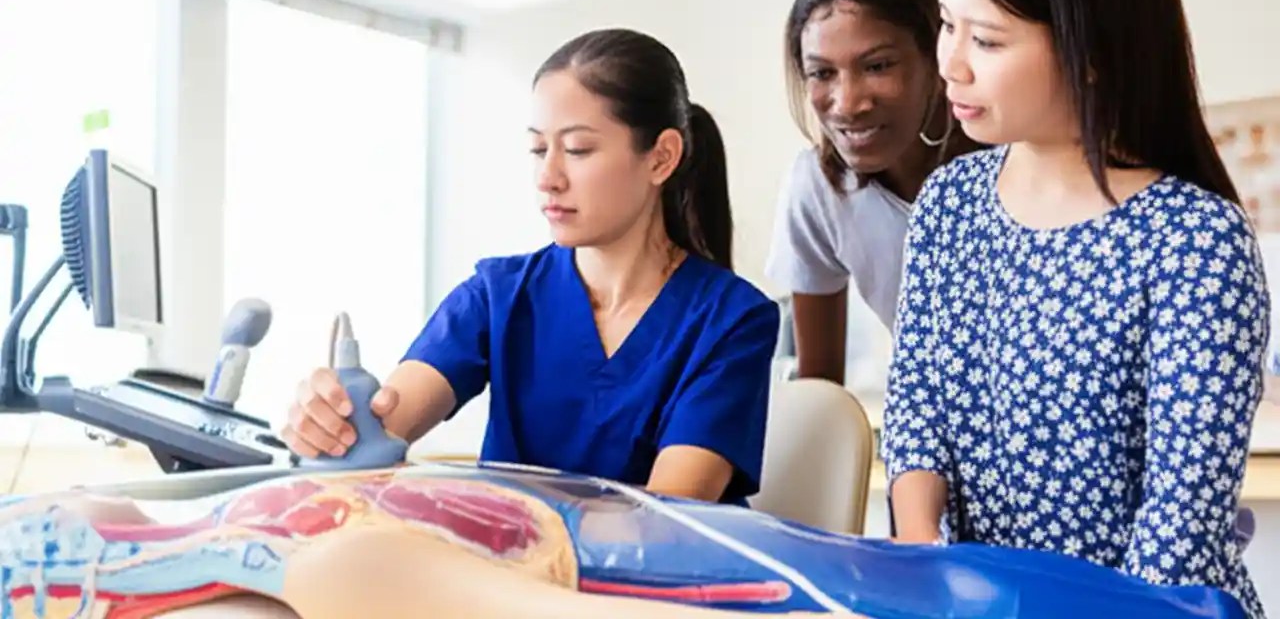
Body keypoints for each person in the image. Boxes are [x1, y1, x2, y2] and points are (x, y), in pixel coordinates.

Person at [881, 0, 1269, 617]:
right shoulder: (950, 202)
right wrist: (920, 558)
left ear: (1093, 54)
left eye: (988, 42)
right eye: (945, 23)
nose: (950, 64)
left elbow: (1179, 524)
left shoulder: (1196, 241)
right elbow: (917, 409)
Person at [280, 28, 779, 506]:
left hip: (652, 591)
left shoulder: (733, 320)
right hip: (516, 577)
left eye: (578, 149)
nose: (548, 177)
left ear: (661, 158)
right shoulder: (497, 295)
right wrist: (333, 428)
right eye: (539, 149)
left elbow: (669, 516)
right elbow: (385, 426)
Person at [0, 463, 1248, 619]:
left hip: (657, 537)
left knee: (900, 585)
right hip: (642, 557)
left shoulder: (304, 532)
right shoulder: (291, 542)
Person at [765, 0, 978, 386]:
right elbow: (819, 389)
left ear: (936, 56)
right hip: (930, 422)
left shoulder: (1012, 159)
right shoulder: (818, 187)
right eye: (822, 73)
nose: (848, 104)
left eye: (878, 66)